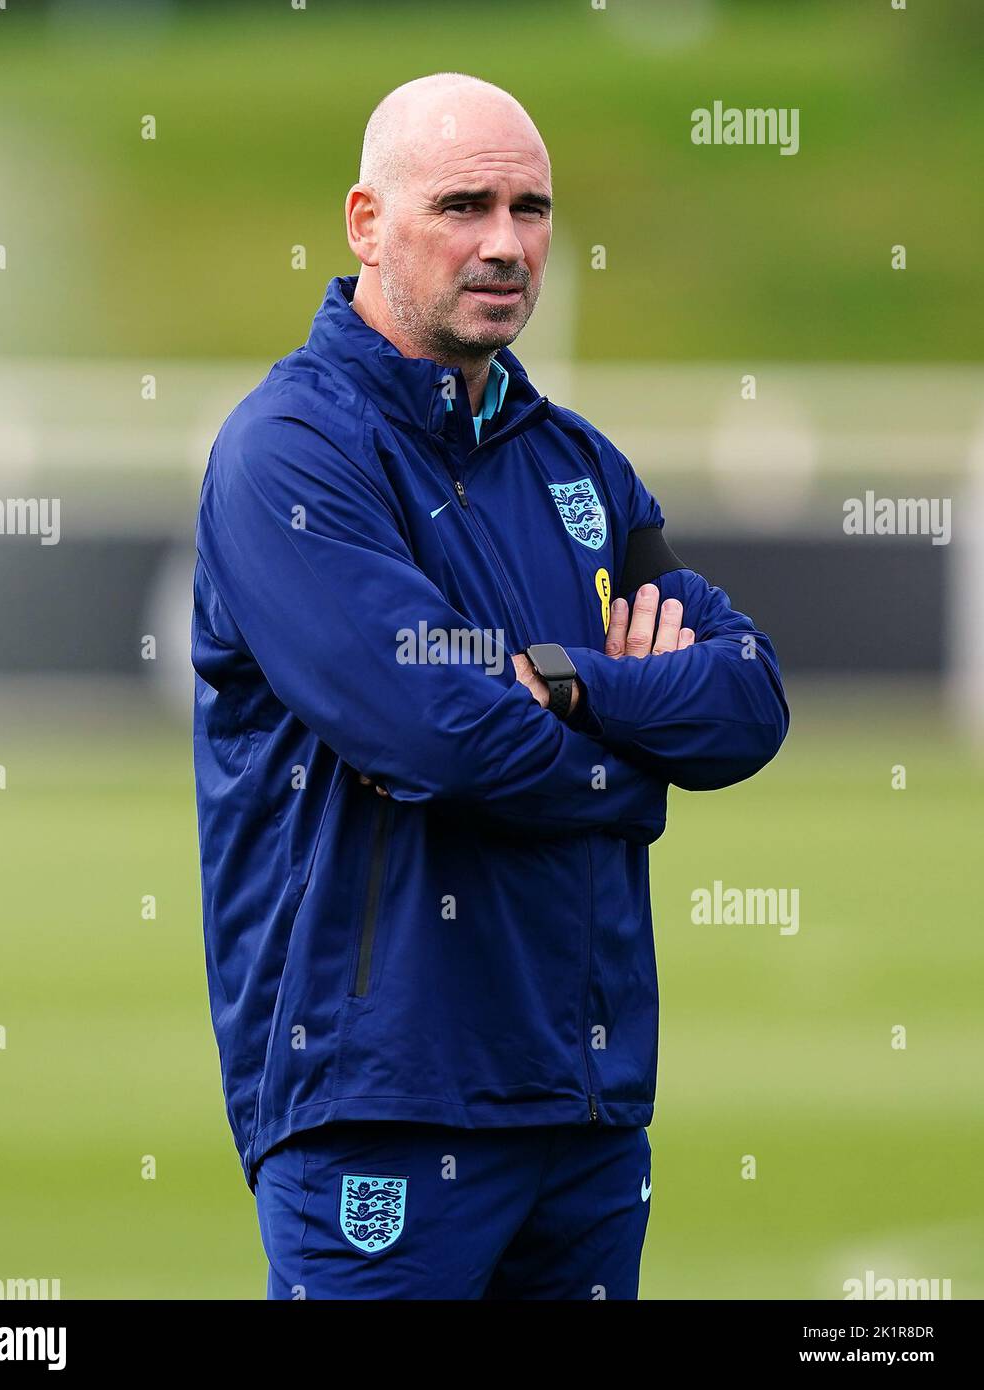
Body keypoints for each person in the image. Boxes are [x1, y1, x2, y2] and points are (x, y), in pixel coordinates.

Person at [191, 71, 790, 1300]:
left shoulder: (578, 463)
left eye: (532, 208)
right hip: (382, 1096)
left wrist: (565, 684)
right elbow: (439, 732)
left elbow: (748, 697)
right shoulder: (291, 453)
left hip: (583, 1100)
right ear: (366, 221)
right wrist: (636, 762)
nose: (506, 243)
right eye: (464, 204)